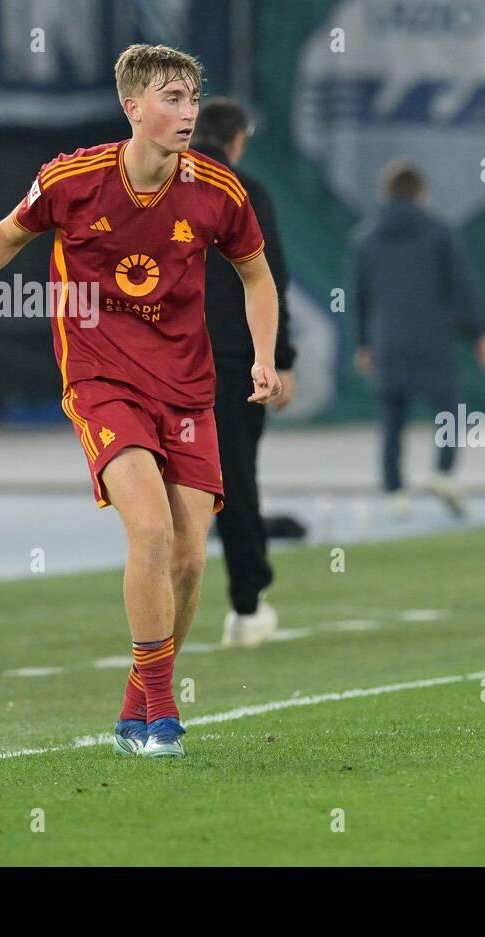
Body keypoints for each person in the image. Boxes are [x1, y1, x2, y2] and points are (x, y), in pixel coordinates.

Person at [0, 44, 282, 759]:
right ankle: (161, 714)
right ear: (133, 108)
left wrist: (262, 357)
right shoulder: (72, 179)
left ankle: (138, 698)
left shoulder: (218, 188)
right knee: (152, 533)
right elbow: (8, 234)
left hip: (189, 384)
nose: (188, 113)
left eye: (193, 99)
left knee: (191, 559)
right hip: (101, 378)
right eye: (172, 99)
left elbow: (255, 276)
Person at [191, 98, 297, 649]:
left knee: (169, 486)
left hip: (166, 360)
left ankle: (155, 620)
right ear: (238, 139)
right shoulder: (246, 190)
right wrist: (280, 358)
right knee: (233, 479)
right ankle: (248, 604)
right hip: (232, 359)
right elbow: (269, 276)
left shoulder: (158, 184)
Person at [349, 161, 485, 517]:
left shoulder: (365, 238)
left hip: (387, 340)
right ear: (421, 193)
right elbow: (465, 285)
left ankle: (395, 492)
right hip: (434, 340)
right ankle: (443, 472)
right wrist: (482, 332)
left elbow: (359, 298)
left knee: (392, 419)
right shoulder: (441, 231)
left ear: (386, 194)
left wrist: (362, 343)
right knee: (449, 412)